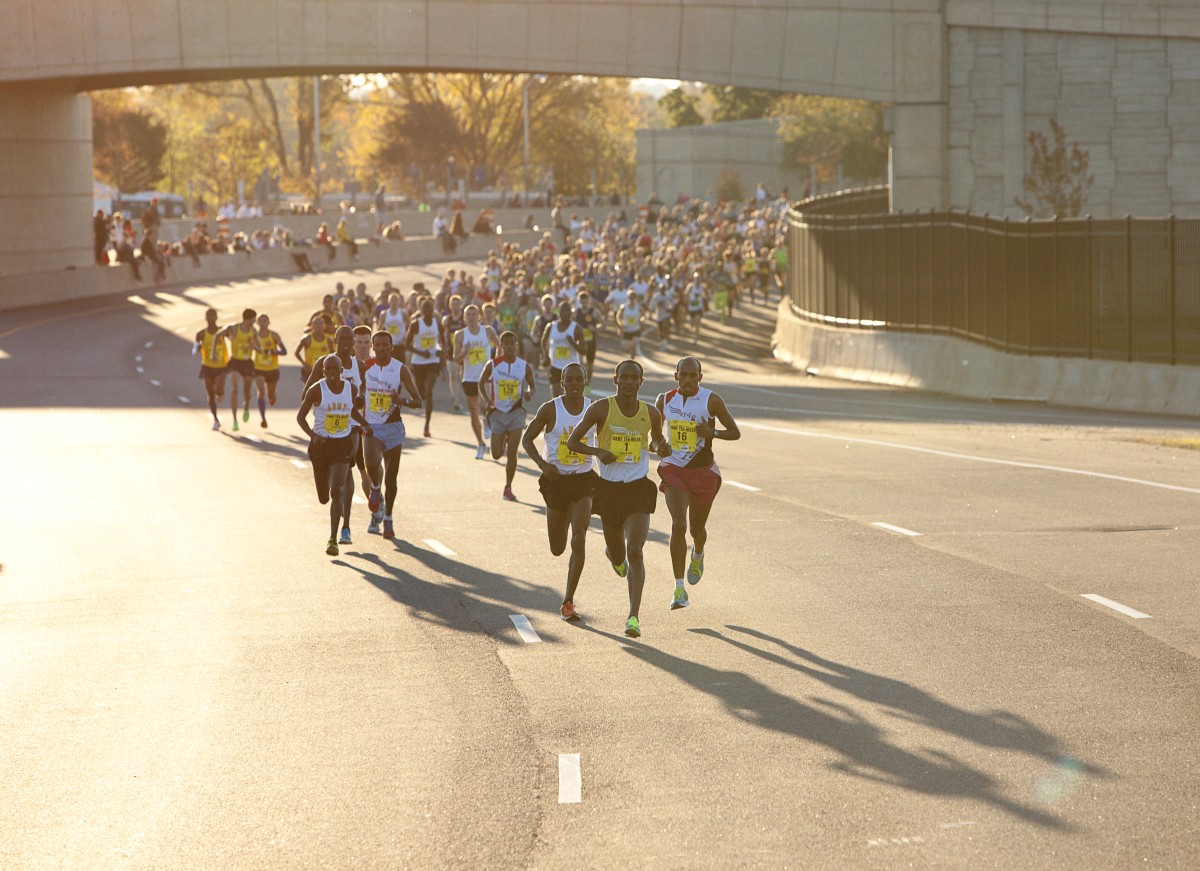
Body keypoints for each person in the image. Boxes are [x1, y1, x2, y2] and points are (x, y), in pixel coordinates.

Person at [566, 359, 669, 638]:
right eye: (624, 377)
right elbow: (573, 441)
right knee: (619, 554)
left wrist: (662, 446)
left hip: (638, 489)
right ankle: (614, 556)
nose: (629, 383)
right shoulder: (601, 409)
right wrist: (598, 453)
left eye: (634, 378)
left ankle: (633, 617)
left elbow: (655, 440)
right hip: (608, 491)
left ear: (641, 382)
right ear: (615, 380)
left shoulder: (651, 413)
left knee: (635, 551)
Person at [654, 356, 740, 610]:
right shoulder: (664, 400)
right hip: (674, 470)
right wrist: (659, 446)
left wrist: (713, 432)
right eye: (684, 375)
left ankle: (698, 552)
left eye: (693, 375)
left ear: (700, 378)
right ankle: (679, 589)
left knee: (696, 529)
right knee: (678, 524)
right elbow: (655, 436)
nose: (688, 380)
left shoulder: (711, 400)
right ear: (676, 376)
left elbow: (734, 432)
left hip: (703, 473)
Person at [522, 362, 597, 622]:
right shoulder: (550, 409)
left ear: (585, 382)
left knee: (579, 539)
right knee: (557, 547)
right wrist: (543, 465)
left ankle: (568, 601)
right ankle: (564, 516)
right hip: (555, 481)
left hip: (583, 480)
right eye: (570, 380)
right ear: (562, 383)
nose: (575, 384)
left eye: (579, 379)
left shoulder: (593, 409)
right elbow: (527, 439)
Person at [297, 356, 370, 557]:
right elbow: (300, 417)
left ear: (341, 371)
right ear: (323, 372)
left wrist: (365, 424)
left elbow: (351, 411)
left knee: (336, 490)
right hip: (321, 446)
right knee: (323, 497)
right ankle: (326, 486)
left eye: (335, 369)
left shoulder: (350, 389)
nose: (331, 373)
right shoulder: (316, 390)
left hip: (341, 444)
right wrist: (313, 436)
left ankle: (333, 538)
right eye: (328, 370)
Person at [362, 330, 423, 539]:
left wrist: (401, 401)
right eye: (377, 345)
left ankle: (388, 518)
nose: (381, 349)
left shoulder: (400, 369)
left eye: (385, 345)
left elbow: (418, 401)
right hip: (371, 424)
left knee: (391, 478)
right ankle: (375, 487)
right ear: (373, 347)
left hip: (393, 426)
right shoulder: (365, 367)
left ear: (391, 347)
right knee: (371, 464)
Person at [478, 331, 536, 501]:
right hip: (497, 412)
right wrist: (487, 401)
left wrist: (528, 393)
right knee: (496, 454)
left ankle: (508, 487)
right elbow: (481, 382)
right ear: (501, 346)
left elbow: (532, 386)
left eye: (512, 344)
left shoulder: (524, 366)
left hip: (516, 412)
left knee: (512, 451)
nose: (509, 347)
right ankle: (500, 438)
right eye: (506, 344)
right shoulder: (493, 365)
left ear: (516, 345)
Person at [453, 303, 499, 459]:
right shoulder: (460, 335)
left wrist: (495, 363)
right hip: (469, 377)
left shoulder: (487, 331)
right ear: (464, 318)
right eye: (468, 315)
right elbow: (456, 358)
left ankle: (486, 422)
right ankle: (480, 443)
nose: (471, 317)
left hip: (485, 376)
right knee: (473, 413)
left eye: (474, 314)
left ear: (479, 316)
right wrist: (465, 351)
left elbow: (500, 345)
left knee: (485, 405)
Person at [405, 296, 443, 438]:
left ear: (433, 309)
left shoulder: (437, 324)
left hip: (433, 361)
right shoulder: (415, 324)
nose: (427, 310)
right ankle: (424, 398)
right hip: (418, 362)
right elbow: (407, 344)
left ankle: (427, 424)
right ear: (421, 309)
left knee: (429, 391)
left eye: (430, 307)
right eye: (425, 308)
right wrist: (421, 352)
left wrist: (440, 351)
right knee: (421, 393)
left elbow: (443, 343)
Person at [194, 308, 229, 430]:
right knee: (210, 393)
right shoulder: (201, 334)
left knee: (218, 389)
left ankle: (220, 393)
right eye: (208, 315)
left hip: (221, 365)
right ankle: (215, 419)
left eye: (213, 315)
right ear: (205, 318)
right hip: (207, 366)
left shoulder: (222, 331)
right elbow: (194, 350)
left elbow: (233, 338)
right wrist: (198, 348)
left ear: (216, 317)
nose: (210, 318)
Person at [541, 299, 583, 398]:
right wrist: (545, 356)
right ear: (558, 312)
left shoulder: (576, 328)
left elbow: (584, 350)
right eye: (562, 310)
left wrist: (573, 343)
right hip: (555, 366)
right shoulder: (551, 326)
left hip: (572, 368)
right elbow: (543, 341)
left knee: (571, 396)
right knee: (556, 393)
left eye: (567, 310)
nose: (565, 313)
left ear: (571, 313)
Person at [250, 313, 286, 429]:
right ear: (257, 323)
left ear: (269, 322)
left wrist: (274, 352)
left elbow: (284, 351)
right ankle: (263, 418)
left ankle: (272, 397)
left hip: (272, 369)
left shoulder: (274, 335)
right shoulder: (254, 336)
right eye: (260, 321)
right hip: (258, 368)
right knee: (261, 391)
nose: (262, 323)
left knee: (270, 395)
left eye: (265, 320)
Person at [226, 308, 257, 432]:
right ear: (248, 319)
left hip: (247, 363)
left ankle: (246, 405)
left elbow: (259, 347)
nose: (254, 322)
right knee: (234, 389)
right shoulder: (235, 328)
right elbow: (220, 334)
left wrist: (253, 346)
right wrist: (228, 337)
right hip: (235, 362)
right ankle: (234, 420)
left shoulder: (253, 331)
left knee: (247, 390)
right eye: (253, 319)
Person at [295, 315, 336, 387]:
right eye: (316, 324)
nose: (318, 326)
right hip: (310, 370)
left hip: (323, 371)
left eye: (321, 323)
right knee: (308, 390)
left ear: (324, 326)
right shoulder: (306, 339)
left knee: (323, 390)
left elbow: (333, 355)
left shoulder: (328, 340)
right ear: (312, 326)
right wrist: (304, 364)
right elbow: (297, 353)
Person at [615, 294, 644, 359]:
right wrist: (620, 325)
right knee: (626, 347)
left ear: (635, 298)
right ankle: (630, 353)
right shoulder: (623, 307)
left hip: (635, 329)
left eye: (633, 297)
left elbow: (643, 316)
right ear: (628, 298)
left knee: (633, 346)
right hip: (626, 329)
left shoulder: (639, 307)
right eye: (630, 297)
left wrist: (642, 321)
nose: (632, 299)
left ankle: (632, 360)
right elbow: (618, 317)